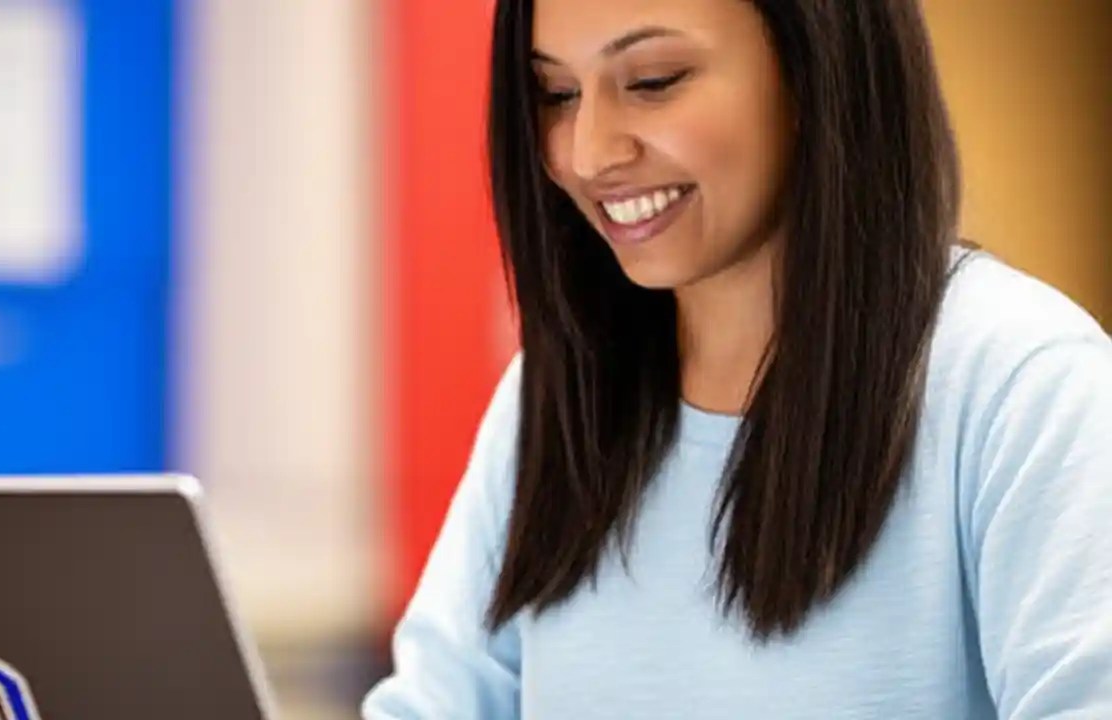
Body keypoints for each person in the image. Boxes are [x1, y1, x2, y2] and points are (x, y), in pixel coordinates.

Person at [363, 0, 1112, 717]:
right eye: (556, 92)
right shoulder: (554, 397)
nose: (588, 152)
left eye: (653, 82)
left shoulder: (1024, 386)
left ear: (816, 63)